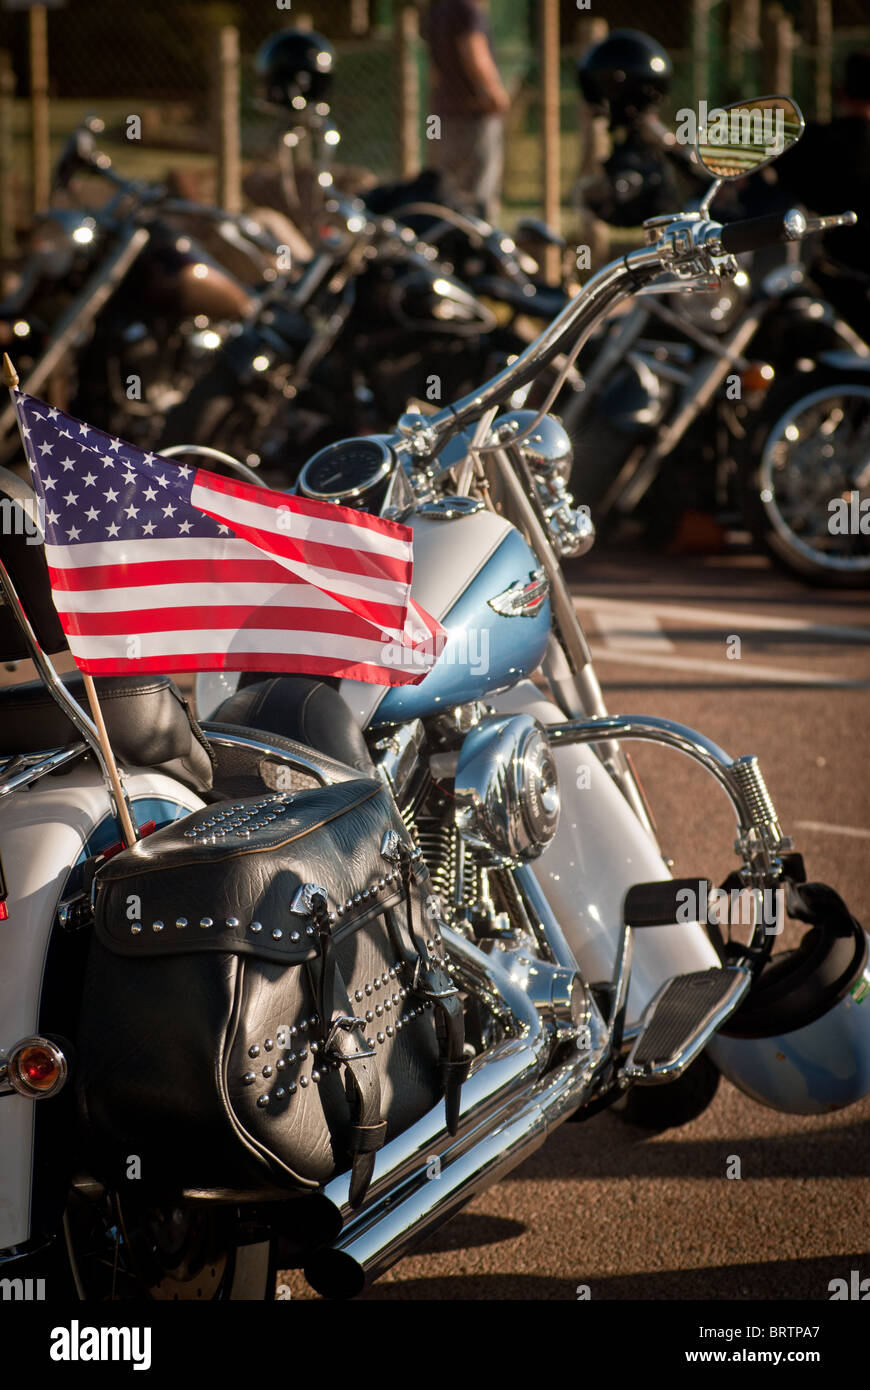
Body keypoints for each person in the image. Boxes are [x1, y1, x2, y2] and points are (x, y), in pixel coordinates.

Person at [423, 0, 510, 224]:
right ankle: (478, 252)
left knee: (447, 195)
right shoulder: (467, 9)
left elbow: (434, 71)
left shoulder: (437, 10)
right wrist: (494, 94)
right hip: (474, 115)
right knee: (477, 197)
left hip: (446, 116)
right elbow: (474, 53)